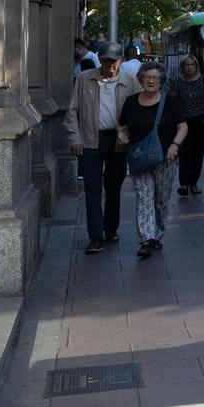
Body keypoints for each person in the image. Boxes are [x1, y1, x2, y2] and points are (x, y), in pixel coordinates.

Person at [63, 42, 140, 254]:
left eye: (114, 61)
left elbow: (139, 109)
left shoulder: (130, 81)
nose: (110, 65)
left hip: (118, 142)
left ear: (120, 61)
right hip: (90, 140)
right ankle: (96, 237)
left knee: (113, 189)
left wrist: (132, 136)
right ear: (100, 60)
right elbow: (72, 112)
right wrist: (74, 138)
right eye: (106, 60)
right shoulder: (84, 78)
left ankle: (110, 229)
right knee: (92, 189)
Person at [118, 62, 187, 259]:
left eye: (154, 78)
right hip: (139, 159)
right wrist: (121, 135)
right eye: (146, 77)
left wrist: (175, 145)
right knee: (143, 197)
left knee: (161, 200)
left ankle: (157, 233)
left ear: (161, 81)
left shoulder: (169, 102)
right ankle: (146, 239)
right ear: (140, 80)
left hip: (165, 159)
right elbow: (121, 125)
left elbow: (183, 126)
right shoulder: (131, 102)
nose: (150, 81)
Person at [169, 55, 204, 195]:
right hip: (184, 123)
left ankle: (194, 182)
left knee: (198, 153)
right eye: (187, 65)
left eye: (192, 64)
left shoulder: (203, 80)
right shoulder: (177, 82)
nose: (189, 67)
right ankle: (184, 184)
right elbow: (170, 102)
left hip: (201, 121)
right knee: (184, 153)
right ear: (182, 66)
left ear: (196, 66)